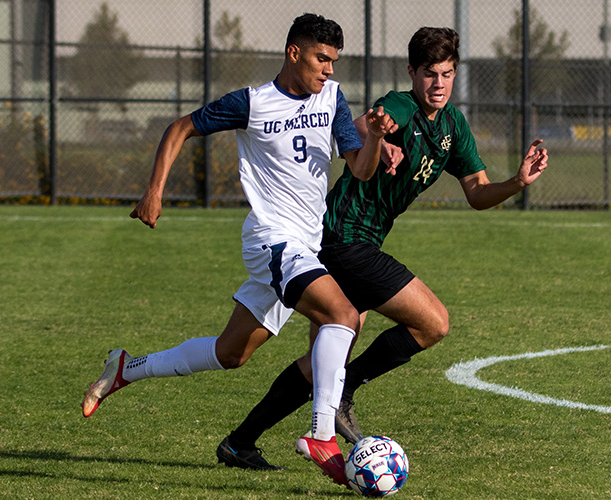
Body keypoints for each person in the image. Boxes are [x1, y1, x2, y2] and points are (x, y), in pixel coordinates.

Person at [80, 13, 397, 487]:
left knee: (232, 354)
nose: (329, 70)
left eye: (334, 61)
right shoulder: (252, 103)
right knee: (344, 316)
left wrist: (372, 137)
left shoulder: (332, 98)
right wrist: (154, 191)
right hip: (272, 239)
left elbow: (363, 169)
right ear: (295, 53)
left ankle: (128, 367)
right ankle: (321, 434)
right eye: (321, 59)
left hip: (304, 246)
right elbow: (180, 128)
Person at [216, 26, 549, 470]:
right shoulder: (400, 104)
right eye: (430, 74)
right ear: (412, 72)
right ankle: (343, 394)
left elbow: (476, 192)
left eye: (448, 74)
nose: (439, 84)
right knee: (434, 323)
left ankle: (240, 442)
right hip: (342, 238)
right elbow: (355, 129)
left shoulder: (452, 124)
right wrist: (379, 138)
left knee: (320, 364)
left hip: (359, 242)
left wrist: (517, 182)